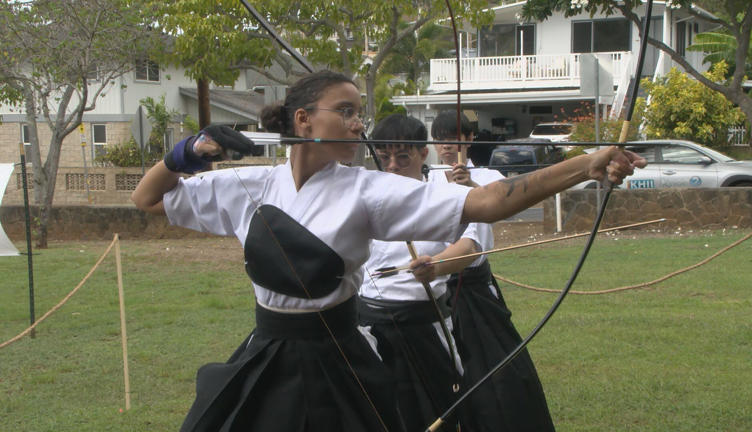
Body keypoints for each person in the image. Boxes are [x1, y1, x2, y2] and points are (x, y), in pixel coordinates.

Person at [131, 70, 645, 432]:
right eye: (346, 112)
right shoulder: (250, 184)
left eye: (361, 113)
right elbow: (149, 199)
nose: (359, 125)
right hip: (267, 352)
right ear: (303, 121)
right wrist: (188, 153)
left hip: (339, 357)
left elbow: (488, 202)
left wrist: (584, 165)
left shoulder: (368, 190)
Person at [431, 110, 557, 431]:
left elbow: (500, 205)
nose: (447, 147)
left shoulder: (488, 177)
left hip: (473, 288)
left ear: (470, 139)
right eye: (441, 139)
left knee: (499, 373)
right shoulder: (425, 178)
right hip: (431, 288)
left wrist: (471, 186)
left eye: (455, 139)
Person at [358, 114, 479, 431]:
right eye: (385, 158)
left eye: (403, 157)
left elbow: (469, 246)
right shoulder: (364, 198)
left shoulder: (444, 197)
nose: (393, 167)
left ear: (423, 154)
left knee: (434, 413)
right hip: (367, 325)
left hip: (423, 323)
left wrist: (436, 265)